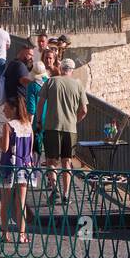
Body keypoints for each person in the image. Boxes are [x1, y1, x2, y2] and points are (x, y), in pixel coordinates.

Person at [35, 58, 88, 206]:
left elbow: (40, 104)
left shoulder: (51, 81)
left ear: (61, 68)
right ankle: (66, 194)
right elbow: (84, 110)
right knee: (67, 162)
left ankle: (54, 190)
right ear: (72, 70)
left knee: (51, 160)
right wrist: (74, 120)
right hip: (70, 128)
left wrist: (39, 121)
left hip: (52, 127)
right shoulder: (78, 84)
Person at [0, 95, 37, 244]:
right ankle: (22, 234)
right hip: (25, 166)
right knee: (21, 202)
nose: (3, 110)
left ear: (13, 109)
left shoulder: (8, 126)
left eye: (6, 108)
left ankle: (5, 233)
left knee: (6, 202)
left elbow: (5, 147)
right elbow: (31, 148)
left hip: (9, 165)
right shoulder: (28, 125)